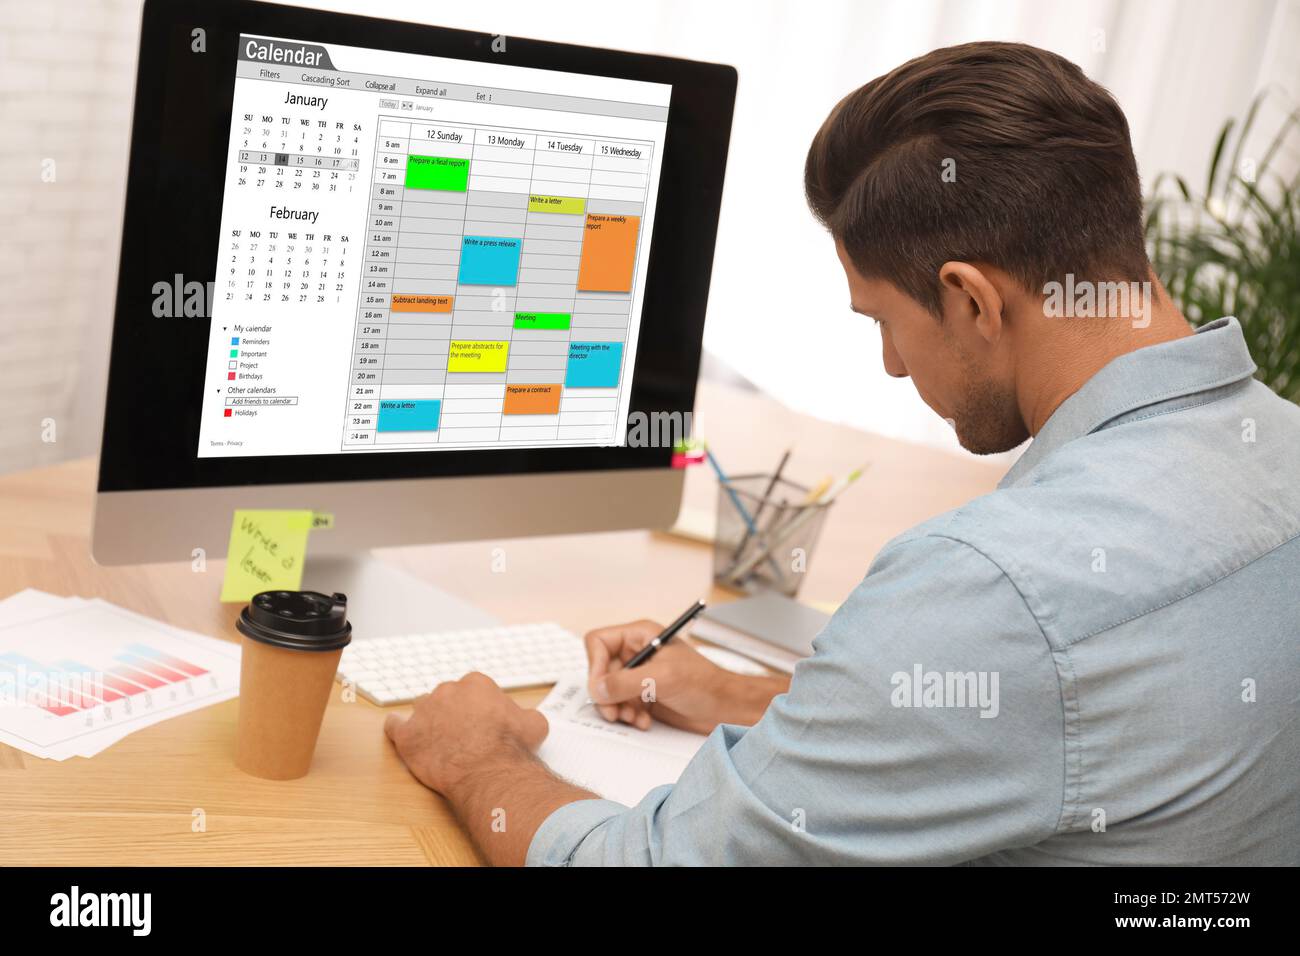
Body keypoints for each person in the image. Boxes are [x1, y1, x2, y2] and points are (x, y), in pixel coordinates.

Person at [384, 41, 1300, 866]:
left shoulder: (993, 586)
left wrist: (478, 756)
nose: (893, 366)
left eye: (886, 325)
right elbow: (1071, 716)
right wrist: (754, 701)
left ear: (971, 301)